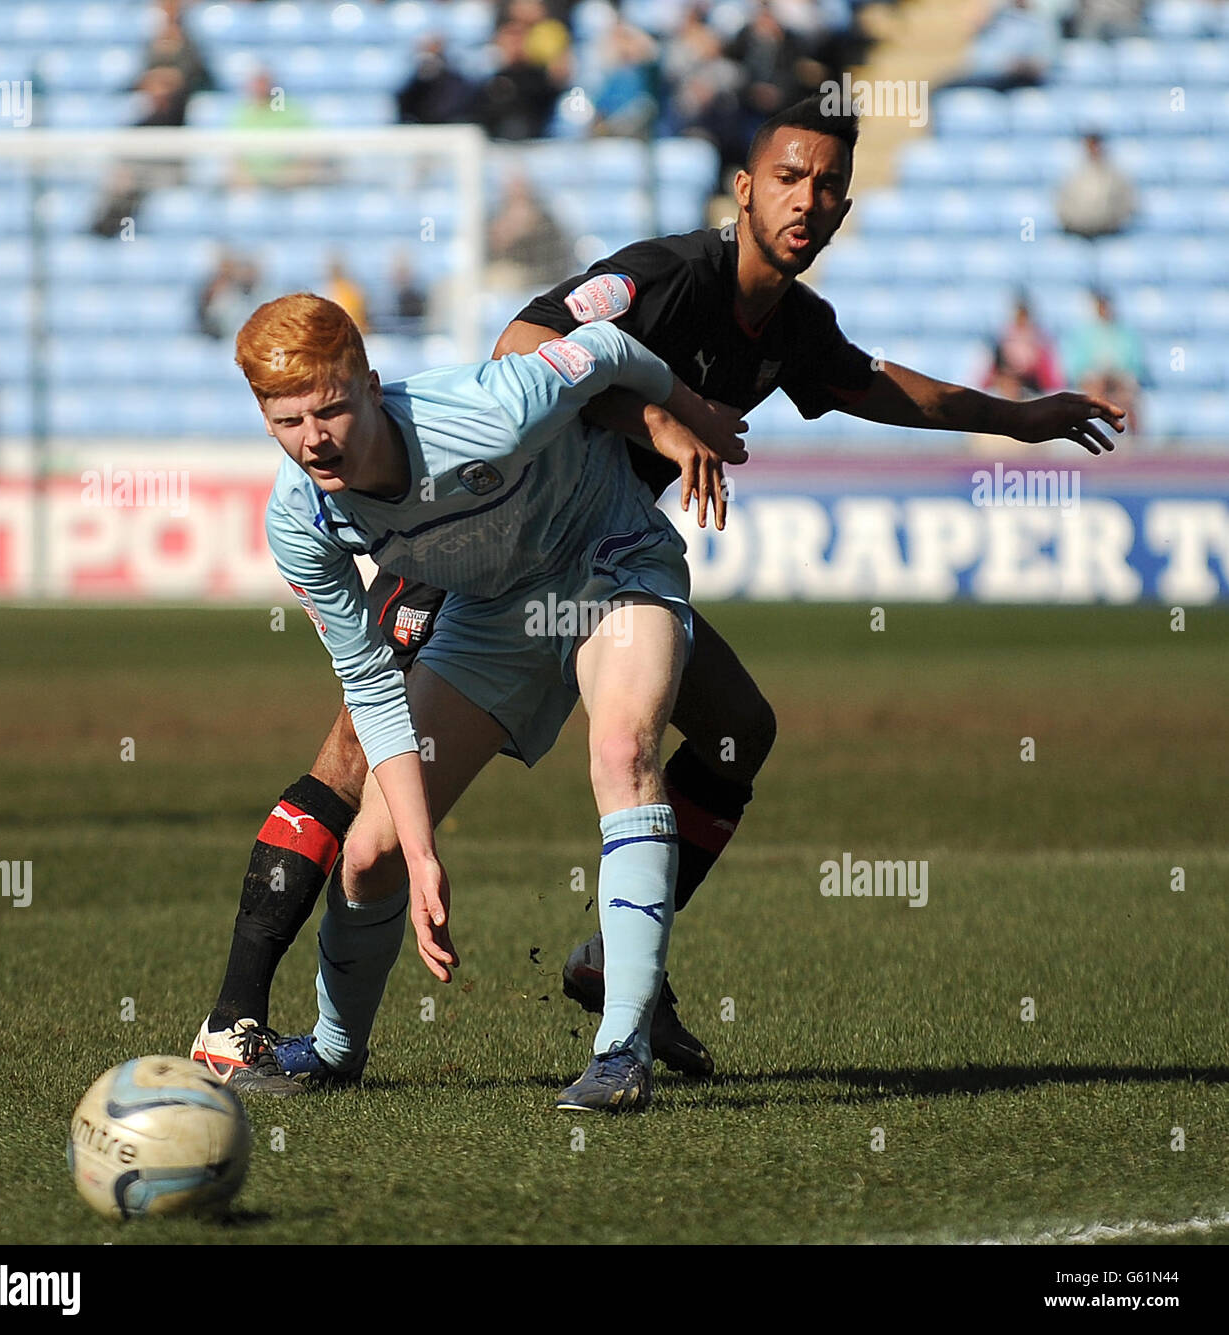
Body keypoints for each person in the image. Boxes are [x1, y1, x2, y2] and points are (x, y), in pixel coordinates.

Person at [192, 96, 1126, 1096]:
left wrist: (1022, 416)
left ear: (846, 208)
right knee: (363, 806)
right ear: (743, 186)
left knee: (683, 737)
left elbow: (884, 387)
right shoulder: (667, 278)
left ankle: (617, 1011)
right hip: (473, 566)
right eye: (786, 177)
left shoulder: (791, 328)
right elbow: (534, 343)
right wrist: (667, 419)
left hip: (602, 555)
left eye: (827, 186)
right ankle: (268, 1024)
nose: (806, 200)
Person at [231, 293, 740, 1111]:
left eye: (330, 409)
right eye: (289, 421)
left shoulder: (487, 410)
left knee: (622, 752)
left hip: (606, 561)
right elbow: (367, 682)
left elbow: (605, 347)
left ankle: (620, 1051)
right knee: (370, 855)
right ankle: (333, 1050)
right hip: (491, 612)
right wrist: (423, 848)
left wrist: (684, 415)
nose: (314, 439)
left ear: (369, 383)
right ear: (264, 418)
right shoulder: (299, 517)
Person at [1063, 290, 1143, 435]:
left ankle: (1132, 439)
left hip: (1118, 380)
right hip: (1095, 379)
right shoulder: (1084, 334)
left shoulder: (1125, 334)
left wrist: (1117, 374)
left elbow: (1134, 364)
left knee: (1128, 397)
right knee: (1096, 391)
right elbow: (1077, 366)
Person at [1056, 133, 1137, 241]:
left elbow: (1129, 206)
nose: (1094, 150)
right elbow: (1061, 206)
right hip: (1078, 233)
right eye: (1090, 146)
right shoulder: (1072, 175)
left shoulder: (1116, 176)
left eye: (1096, 146)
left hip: (1109, 234)